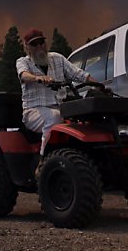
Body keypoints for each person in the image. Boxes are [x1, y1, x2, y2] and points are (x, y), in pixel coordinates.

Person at [15, 28, 99, 164]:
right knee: (54, 117)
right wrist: (37, 78)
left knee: (85, 119)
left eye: (41, 42)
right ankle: (44, 161)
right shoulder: (23, 62)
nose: (39, 46)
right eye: (34, 44)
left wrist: (99, 85)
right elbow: (23, 75)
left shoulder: (57, 58)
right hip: (33, 111)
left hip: (62, 109)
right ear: (26, 47)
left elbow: (79, 74)